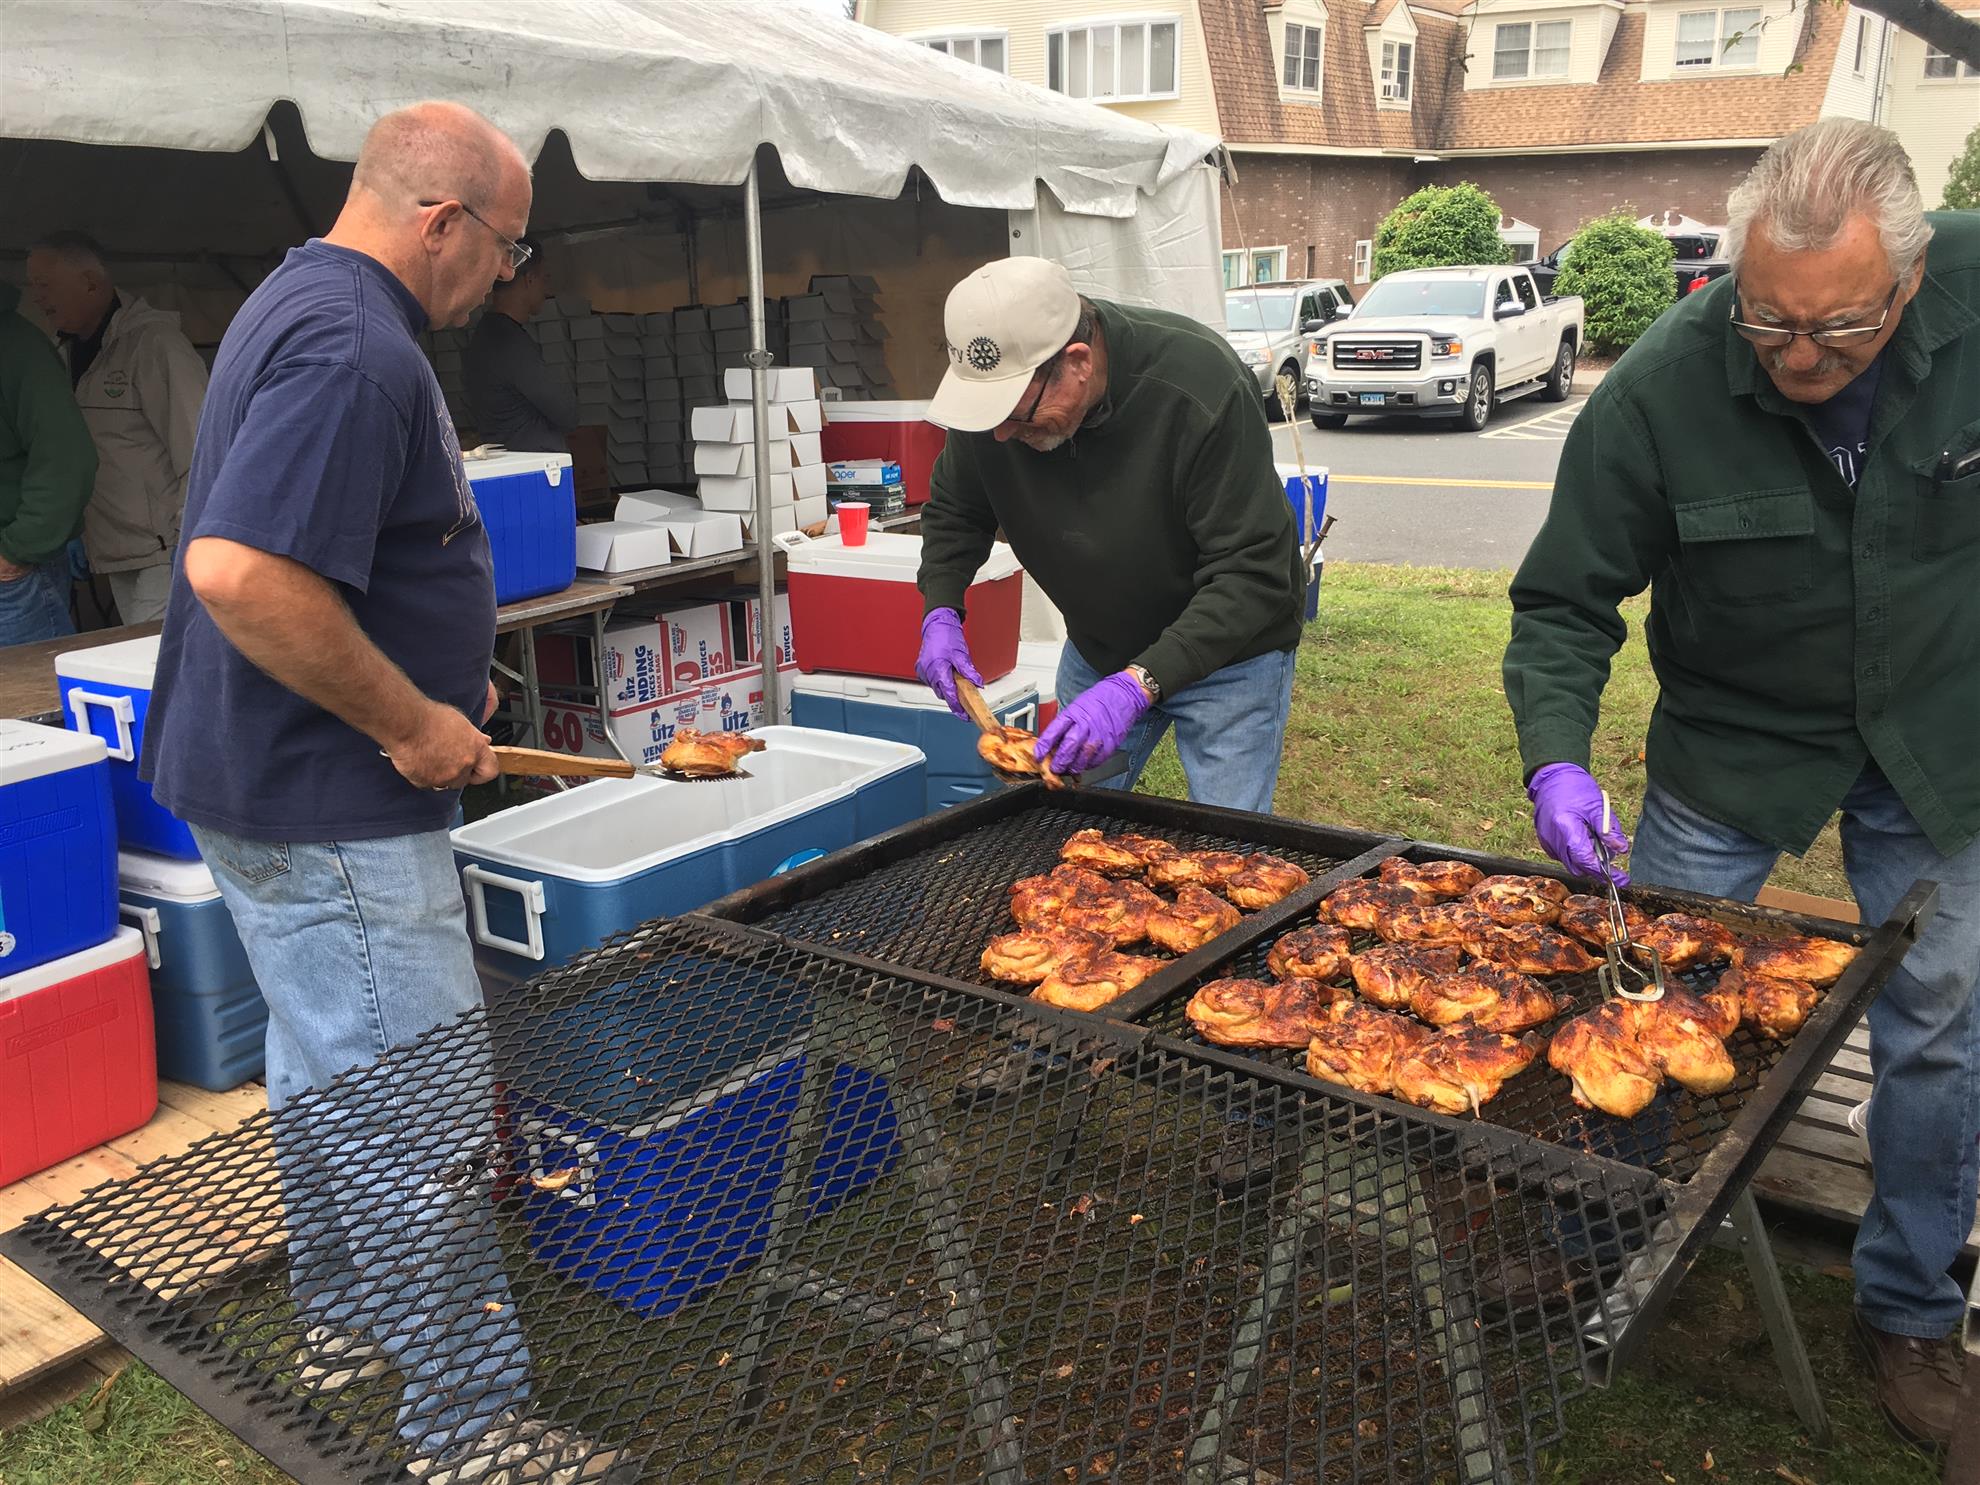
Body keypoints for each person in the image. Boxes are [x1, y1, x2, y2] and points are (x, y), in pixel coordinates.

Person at [138, 102, 619, 1483]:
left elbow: (326, 549)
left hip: (257, 778)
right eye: (507, 248)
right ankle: (468, 1428)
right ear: (442, 221)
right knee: (420, 1111)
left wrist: (439, 678)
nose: (506, 276)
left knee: (320, 1058)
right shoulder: (357, 346)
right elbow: (241, 572)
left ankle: (349, 1319)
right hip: (332, 803)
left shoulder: (296, 296)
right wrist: (408, 721)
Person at [1503, 118, 1980, 1455]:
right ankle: (1591, 1235)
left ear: (1913, 275)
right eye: (1772, 325)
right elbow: (1563, 600)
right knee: (1641, 986)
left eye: (1842, 329)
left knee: (1942, 1022)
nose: (1804, 359)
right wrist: (1556, 756)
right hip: (1736, 736)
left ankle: (1909, 1309)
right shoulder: (1660, 390)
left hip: (1944, 730)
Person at [914, 256, 1305, 814]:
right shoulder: (998, 405)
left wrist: (1138, 684)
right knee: (1067, 825)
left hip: (1231, 658)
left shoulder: (1200, 388)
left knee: (1228, 839)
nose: (999, 434)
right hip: (1099, 648)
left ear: (1077, 362)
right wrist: (940, 608)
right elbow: (956, 509)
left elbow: (1252, 571)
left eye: (1018, 415)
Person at [26, 232, 207, 623]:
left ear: (91, 283)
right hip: (112, 549)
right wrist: (75, 531)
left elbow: (200, 448)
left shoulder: (155, 345)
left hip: (164, 550)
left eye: (44, 285)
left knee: (153, 656)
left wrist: (193, 534)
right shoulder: (62, 351)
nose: (37, 297)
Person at [0, 281, 96, 645]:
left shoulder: (17, 347)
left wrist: (18, 550)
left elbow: (67, 457)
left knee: (30, 682)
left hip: (12, 580)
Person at [464, 235, 576, 452]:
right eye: (545, 278)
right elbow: (565, 412)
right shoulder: (507, 342)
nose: (547, 290)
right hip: (530, 463)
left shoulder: (488, 334)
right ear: (529, 279)